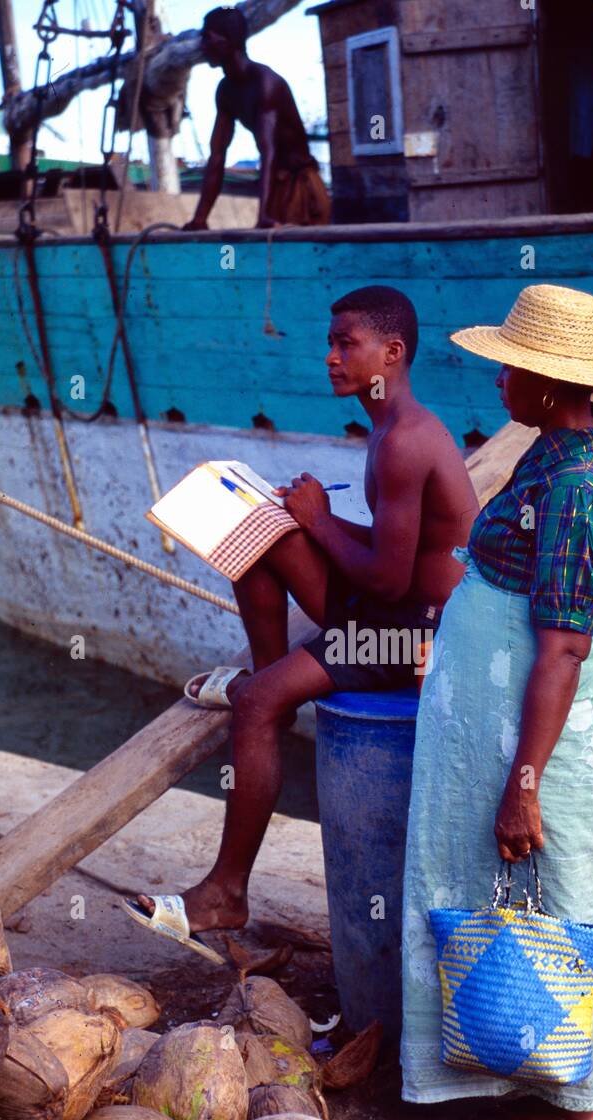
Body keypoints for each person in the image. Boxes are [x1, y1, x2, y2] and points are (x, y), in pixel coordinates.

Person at [124, 285, 478, 956]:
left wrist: (316, 520)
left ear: (392, 353)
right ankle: (272, 686)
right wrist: (302, 518)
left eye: (347, 344)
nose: (330, 357)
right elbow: (385, 558)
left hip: (413, 637)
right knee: (255, 533)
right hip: (389, 611)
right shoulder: (390, 426)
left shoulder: (406, 441)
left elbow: (389, 578)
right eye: (331, 343)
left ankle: (225, 893)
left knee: (254, 704)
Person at [401, 282, 593, 1120]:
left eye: (511, 365)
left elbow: (564, 649)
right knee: (539, 899)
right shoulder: (555, 450)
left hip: (537, 736)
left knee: (554, 901)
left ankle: (568, 1103)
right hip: (506, 724)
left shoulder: (581, 486)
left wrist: (525, 782)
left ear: (549, 383)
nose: (498, 378)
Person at [184, 6, 330, 230]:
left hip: (301, 188)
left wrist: (264, 215)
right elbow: (217, 157)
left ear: (229, 40)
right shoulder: (225, 91)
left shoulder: (265, 84)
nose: (202, 46)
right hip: (277, 187)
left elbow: (268, 152)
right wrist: (200, 219)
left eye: (207, 37)